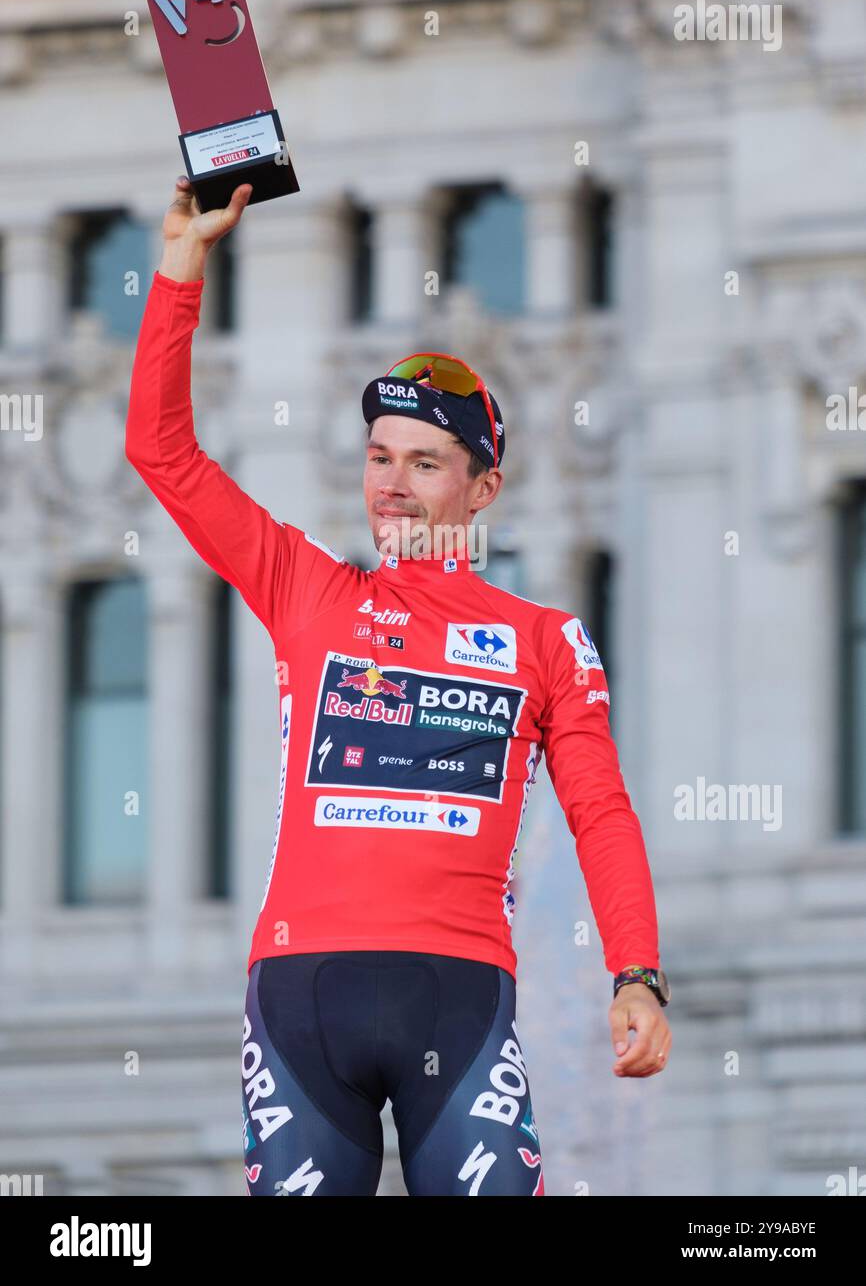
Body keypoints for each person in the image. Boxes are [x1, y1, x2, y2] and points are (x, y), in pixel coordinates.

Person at [125, 175, 672, 1198]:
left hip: (458, 1000)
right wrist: (181, 265)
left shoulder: (542, 640)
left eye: (423, 462)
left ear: (481, 486)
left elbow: (598, 810)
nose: (389, 481)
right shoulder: (305, 588)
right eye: (378, 456)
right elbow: (160, 453)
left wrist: (633, 971)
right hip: (301, 998)